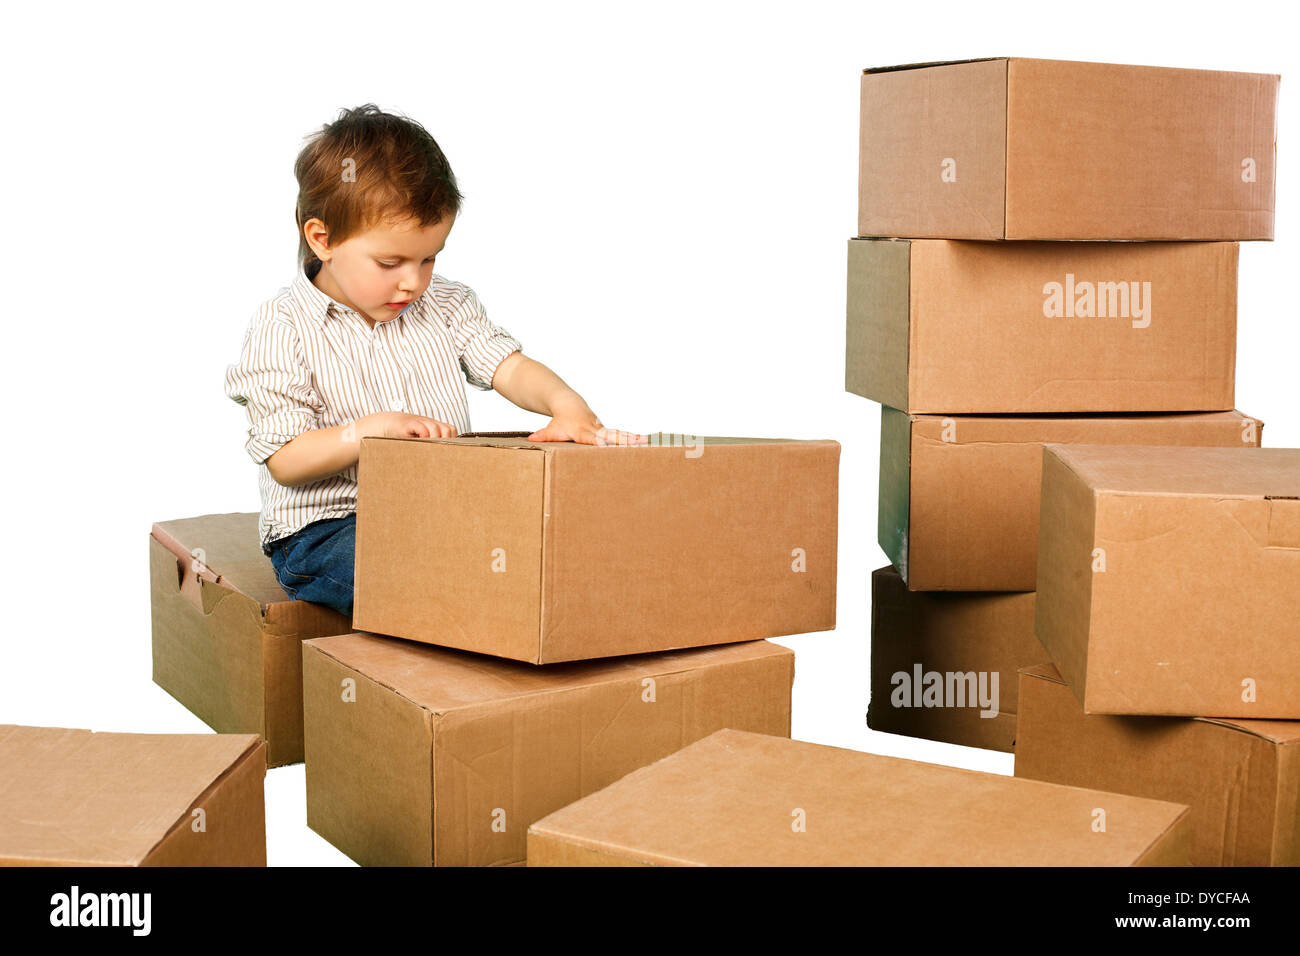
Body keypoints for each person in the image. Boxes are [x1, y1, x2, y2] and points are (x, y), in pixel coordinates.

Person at [224, 104, 644, 618]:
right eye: (390, 262)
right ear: (323, 239)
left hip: (444, 514)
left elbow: (507, 366)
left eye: (429, 258)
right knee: (426, 574)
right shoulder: (281, 327)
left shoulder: (445, 304)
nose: (413, 281)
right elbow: (286, 460)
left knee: (551, 541)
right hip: (329, 532)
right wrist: (369, 433)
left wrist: (564, 402)